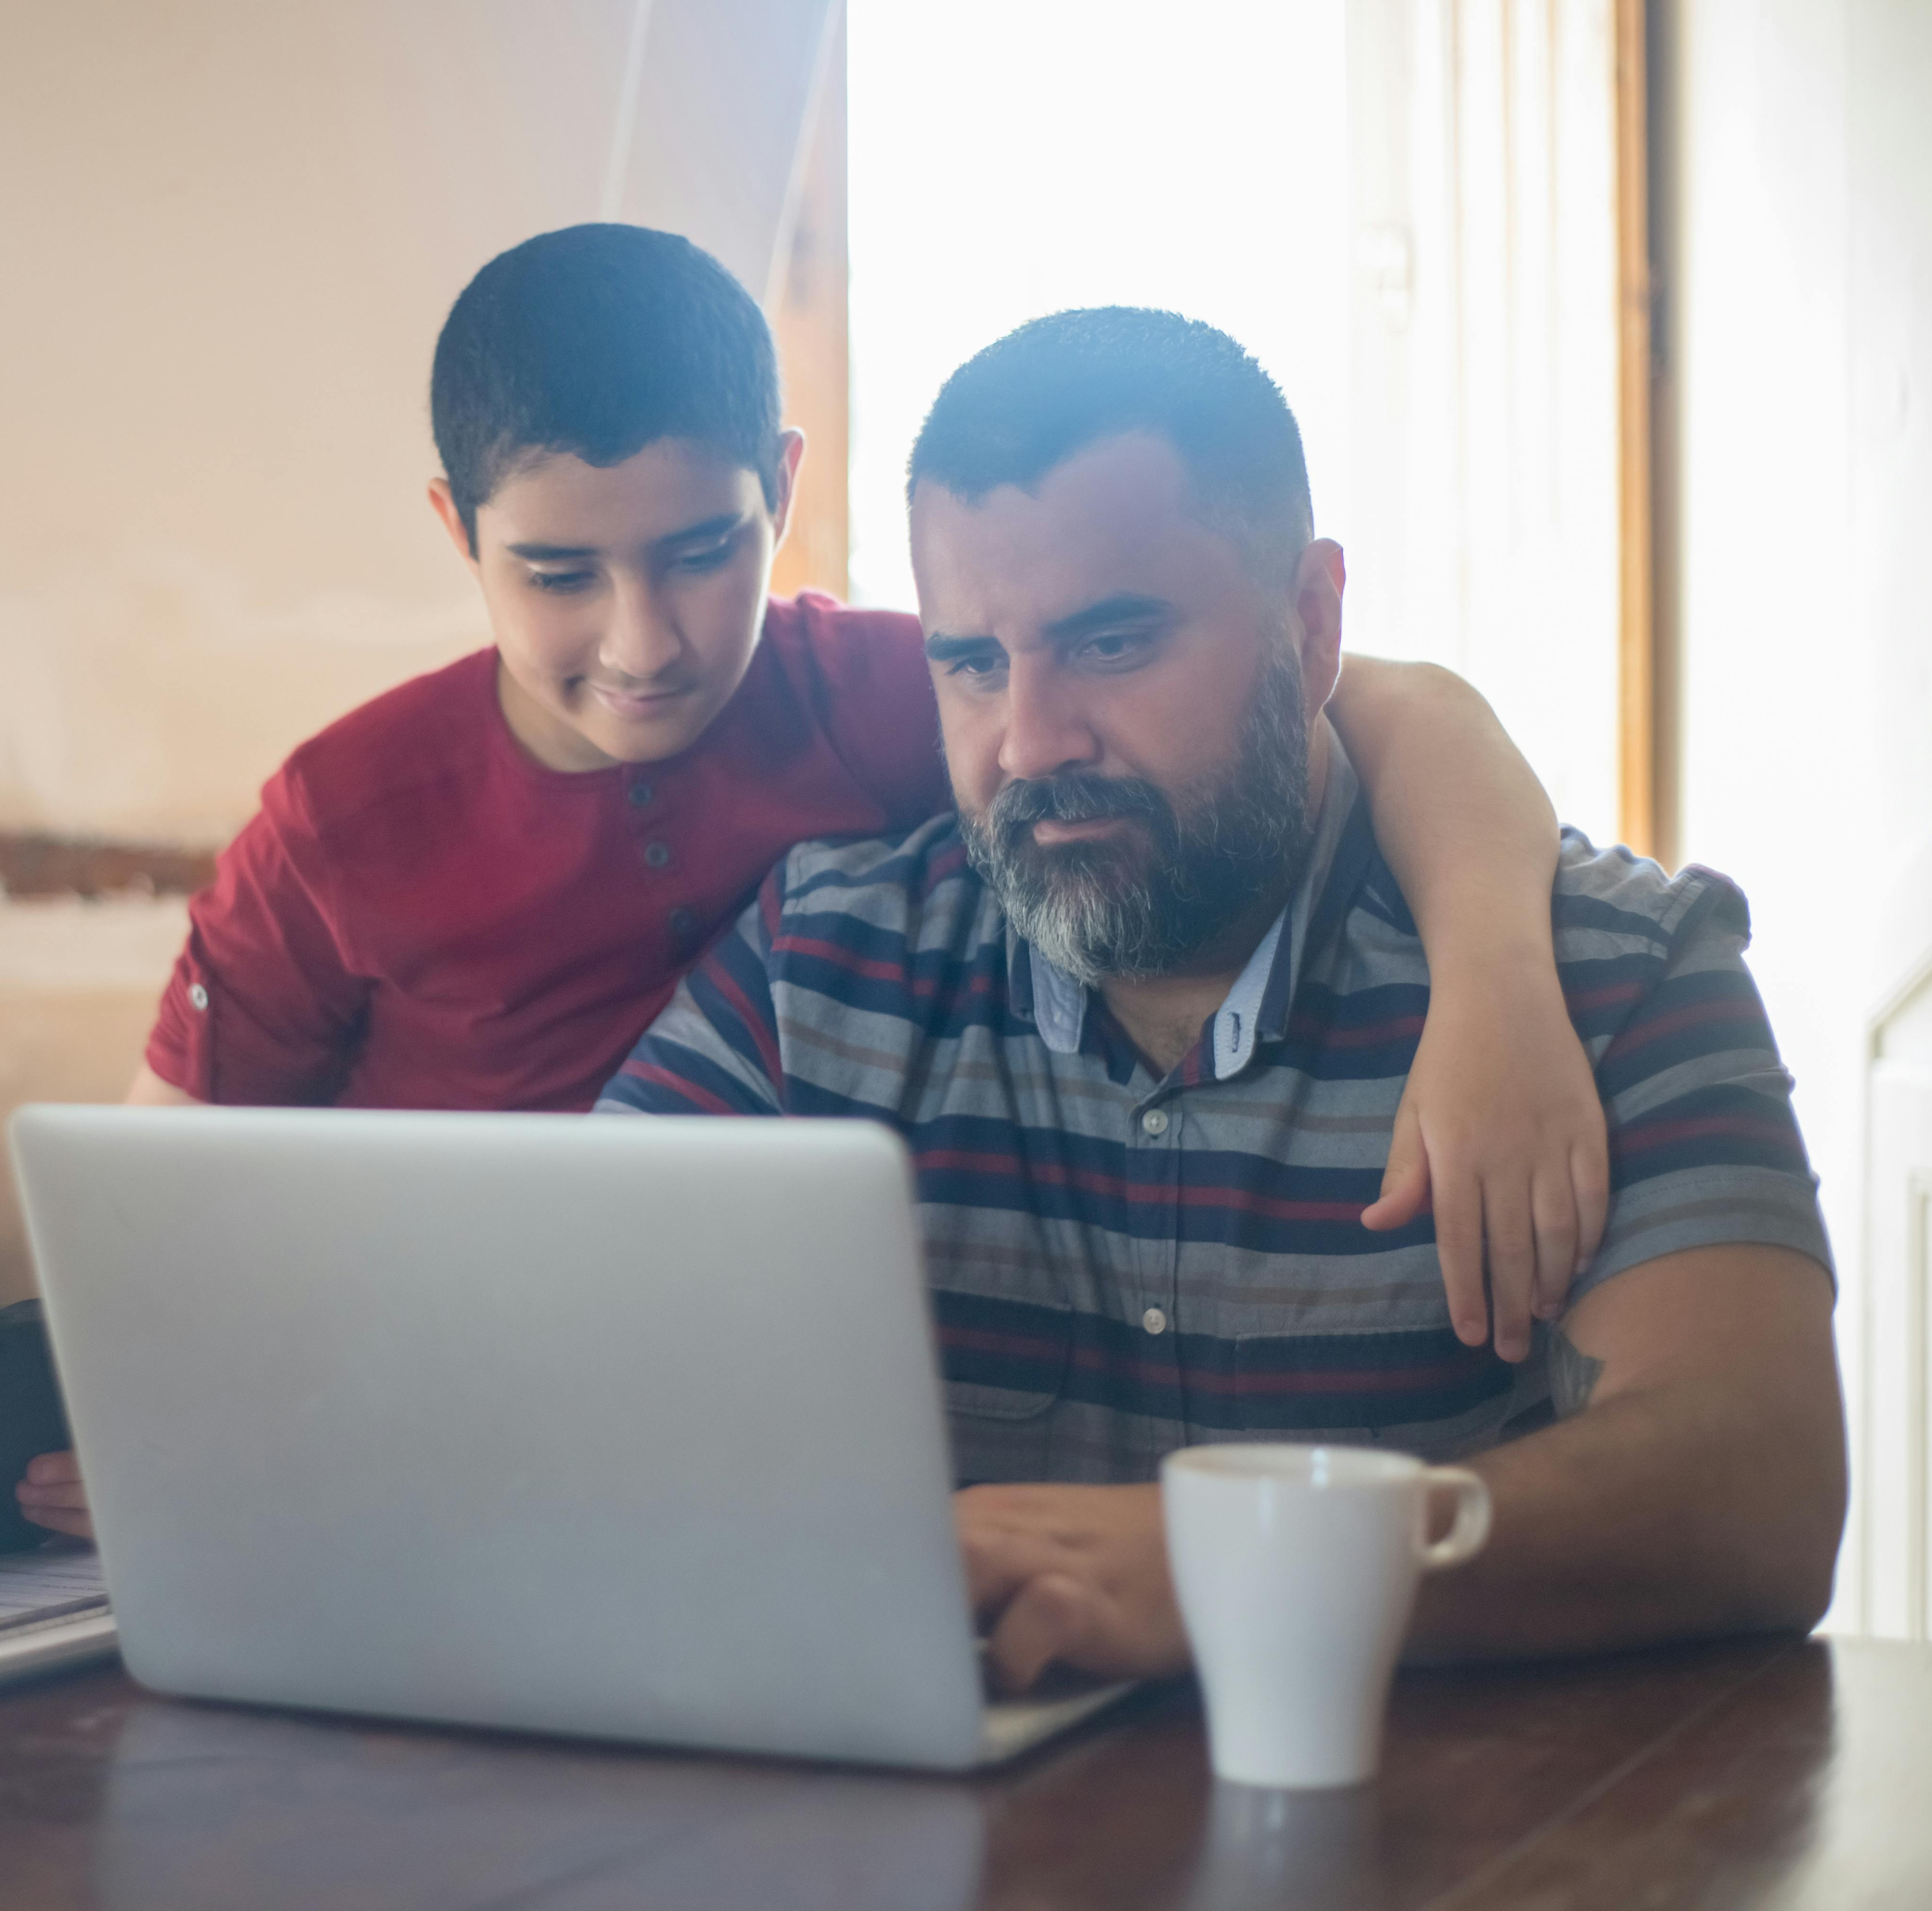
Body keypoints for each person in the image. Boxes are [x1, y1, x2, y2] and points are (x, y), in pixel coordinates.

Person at [599, 307, 1845, 1689]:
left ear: (1312, 628)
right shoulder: (812, 973)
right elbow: (554, 1383)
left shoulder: (1609, 976)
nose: (1030, 742)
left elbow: (1758, 1495)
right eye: (970, 664)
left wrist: (1248, 1570)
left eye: (1114, 645)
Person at [122, 224, 1604, 1359]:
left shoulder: (942, 691)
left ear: (782, 483)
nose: (647, 644)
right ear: (459, 530)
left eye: (706, 552)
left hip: (771, 1384)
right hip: (429, 1366)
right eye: (560, 575)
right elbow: (150, 1223)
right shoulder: (337, 820)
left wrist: (1498, 991)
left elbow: (1390, 709)